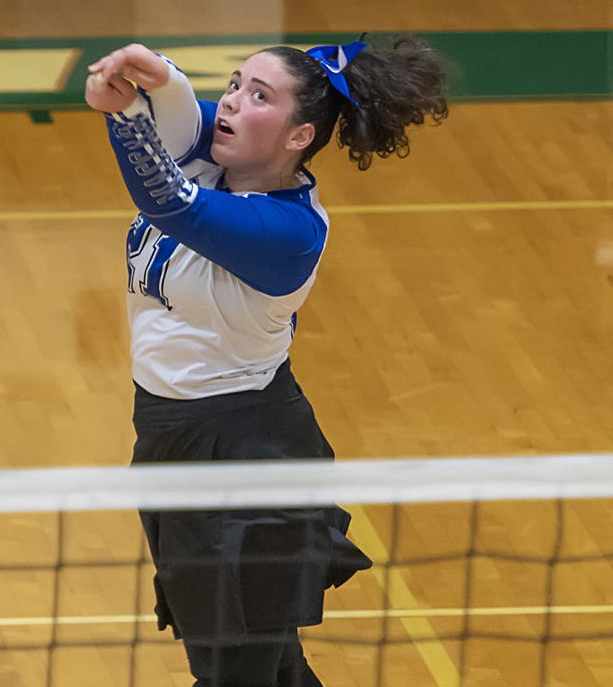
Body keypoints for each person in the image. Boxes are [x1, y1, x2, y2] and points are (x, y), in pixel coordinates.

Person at [84, 34, 450, 687]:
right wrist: (150, 79)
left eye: (260, 96)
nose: (231, 101)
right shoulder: (213, 158)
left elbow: (166, 200)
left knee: (233, 671)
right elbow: (177, 113)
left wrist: (123, 113)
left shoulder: (287, 234)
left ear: (296, 136)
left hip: (248, 453)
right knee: (267, 663)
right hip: (172, 440)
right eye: (233, 83)